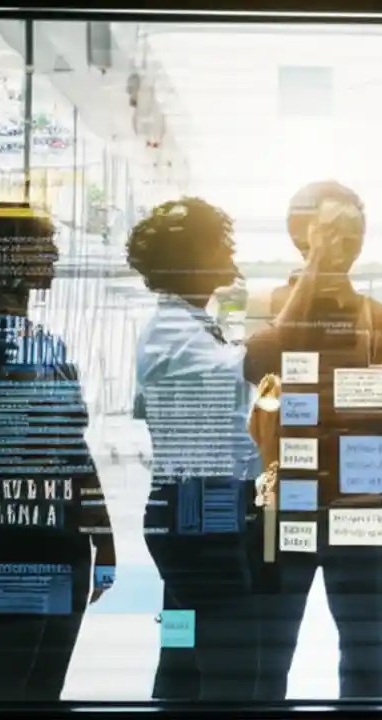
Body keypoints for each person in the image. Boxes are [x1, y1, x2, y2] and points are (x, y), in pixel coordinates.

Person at [0, 201, 116, 700]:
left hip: (53, 532)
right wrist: (99, 536)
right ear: (10, 254)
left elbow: (73, 448)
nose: (56, 253)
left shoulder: (42, 343)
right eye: (45, 243)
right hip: (15, 533)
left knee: (41, 688)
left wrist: (100, 536)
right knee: (4, 686)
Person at [242, 180, 382, 699]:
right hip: (282, 506)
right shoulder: (267, 303)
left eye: (353, 231)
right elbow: (260, 360)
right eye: (331, 230)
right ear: (302, 233)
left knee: (367, 658)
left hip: (358, 507)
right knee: (267, 655)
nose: (345, 242)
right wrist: (315, 266)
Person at [126, 196, 264, 700]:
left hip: (194, 509)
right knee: (234, 667)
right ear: (191, 256)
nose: (230, 252)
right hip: (196, 514)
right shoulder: (173, 332)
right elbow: (263, 356)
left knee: (181, 655)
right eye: (220, 243)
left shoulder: (191, 326)